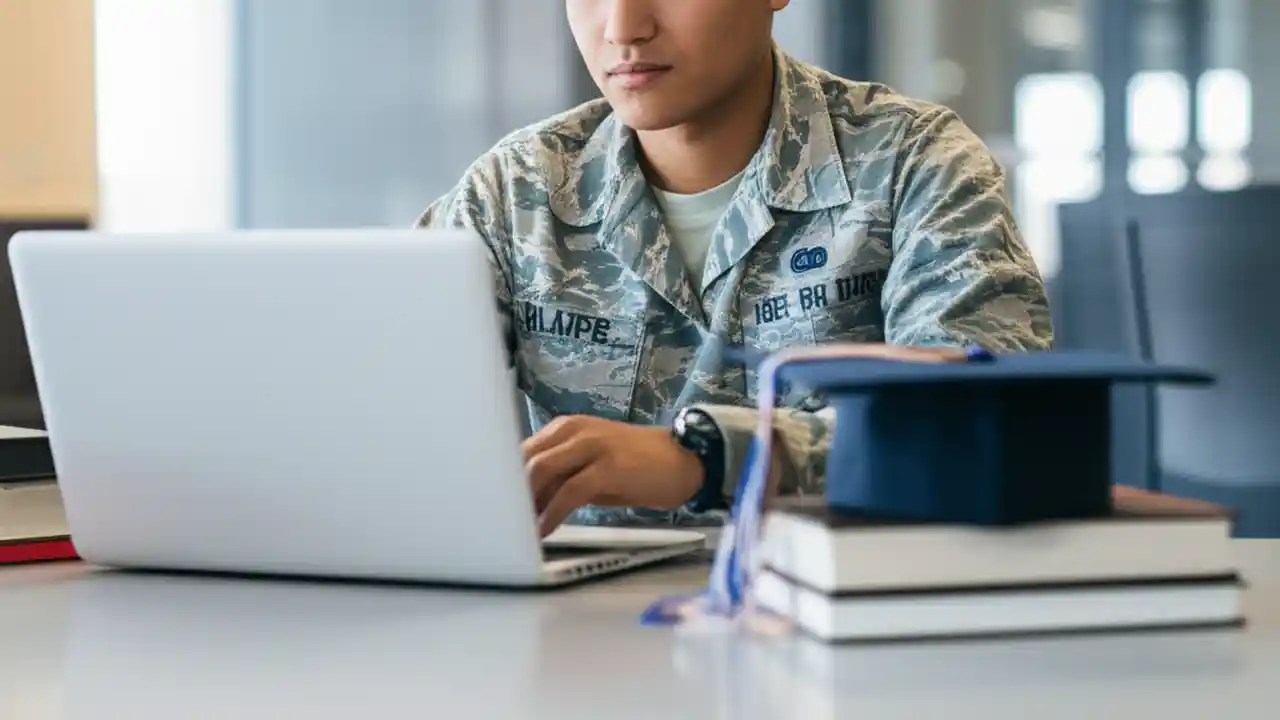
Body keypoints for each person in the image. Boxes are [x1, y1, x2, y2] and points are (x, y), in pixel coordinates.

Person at [417, 0, 1053, 537]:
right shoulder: (514, 192)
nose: (622, 27)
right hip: (573, 646)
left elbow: (987, 431)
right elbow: (387, 429)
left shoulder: (912, 164)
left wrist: (709, 458)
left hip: (846, 637)